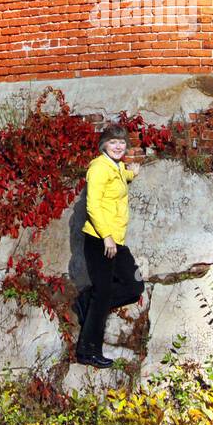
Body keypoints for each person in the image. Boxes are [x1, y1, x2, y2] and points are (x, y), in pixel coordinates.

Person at [74, 124, 145, 368]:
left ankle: (86, 301)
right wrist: (106, 236)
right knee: (103, 294)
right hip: (99, 240)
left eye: (122, 143)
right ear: (104, 144)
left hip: (117, 241)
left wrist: (131, 174)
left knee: (135, 287)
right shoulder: (98, 168)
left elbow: (120, 176)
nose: (118, 146)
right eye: (113, 142)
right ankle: (87, 351)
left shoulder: (116, 167)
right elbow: (93, 205)